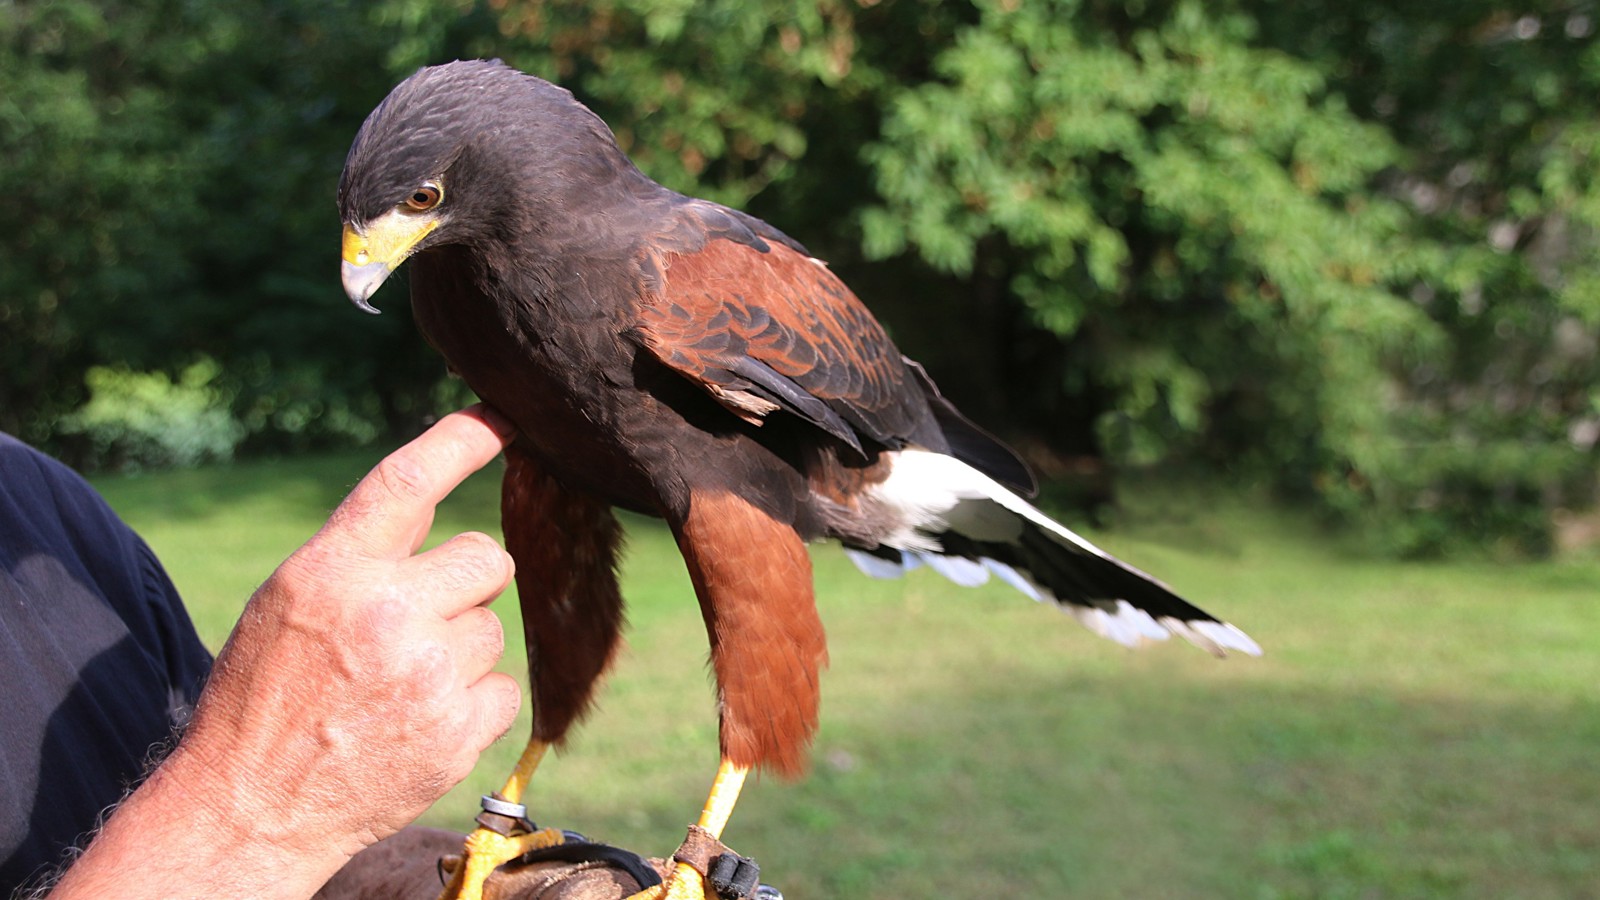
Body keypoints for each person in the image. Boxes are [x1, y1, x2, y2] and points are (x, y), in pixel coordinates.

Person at [2, 406, 526, 898]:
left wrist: (405, 873)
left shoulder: (38, 497)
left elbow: (164, 787)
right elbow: (245, 806)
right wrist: (253, 816)